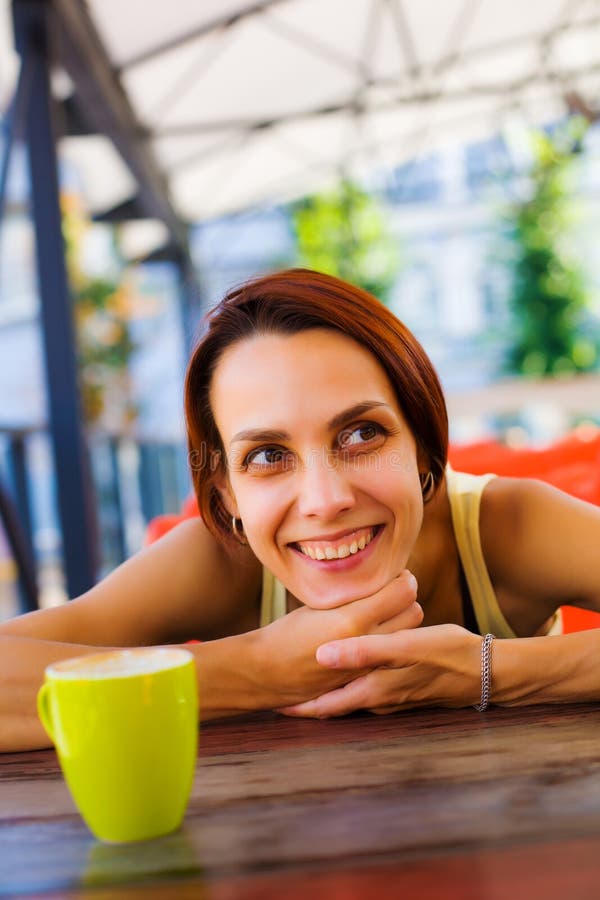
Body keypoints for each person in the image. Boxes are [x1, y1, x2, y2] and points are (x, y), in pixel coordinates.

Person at [1, 268, 599, 752]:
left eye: (362, 435)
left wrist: (493, 671)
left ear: (421, 445)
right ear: (227, 492)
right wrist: (256, 668)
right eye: (267, 454)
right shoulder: (217, 564)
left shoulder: (506, 526)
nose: (326, 500)